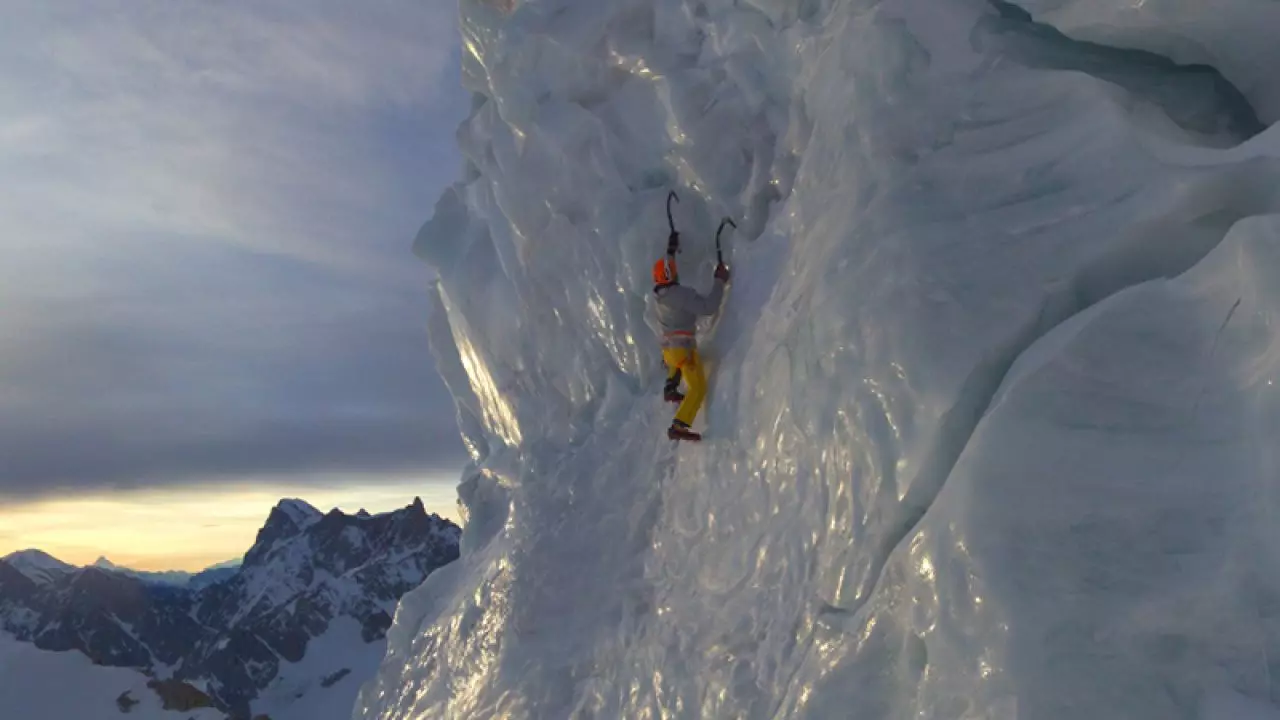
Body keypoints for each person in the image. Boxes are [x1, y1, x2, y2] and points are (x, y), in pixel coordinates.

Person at [652, 250, 730, 442]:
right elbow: (708, 307)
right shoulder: (680, 295)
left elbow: (668, 268)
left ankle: (671, 386)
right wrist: (719, 281)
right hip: (683, 350)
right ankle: (678, 425)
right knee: (698, 388)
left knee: (676, 364)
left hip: (669, 352)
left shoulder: (659, 296)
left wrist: (671, 248)